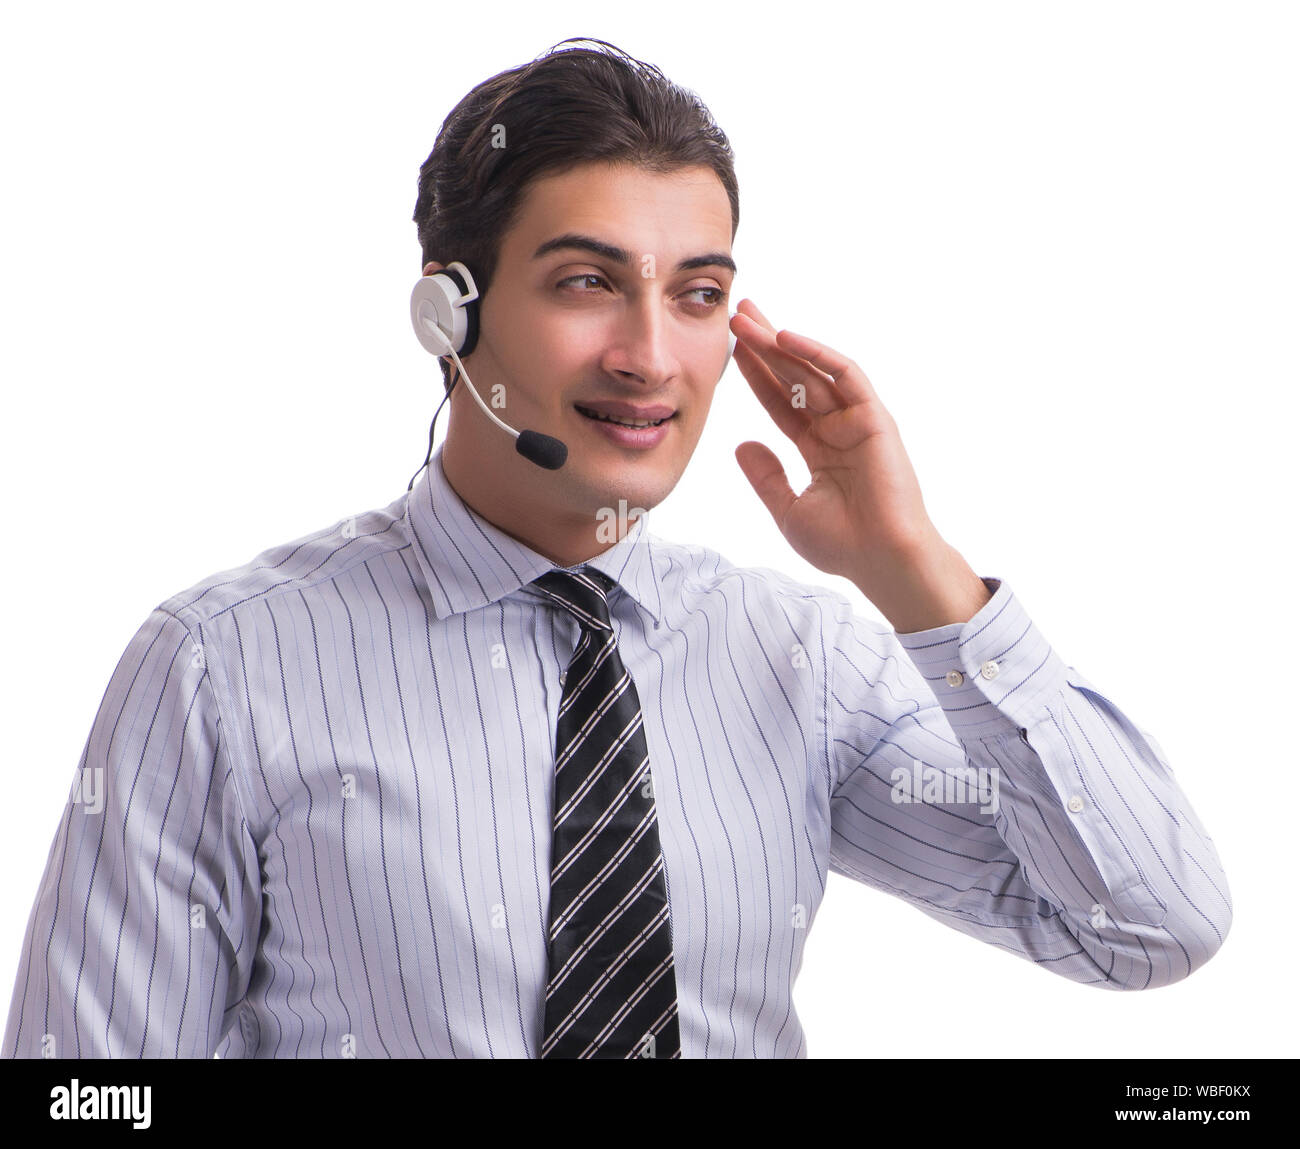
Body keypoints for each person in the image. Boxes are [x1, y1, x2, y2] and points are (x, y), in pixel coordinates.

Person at [3, 37, 1230, 1060]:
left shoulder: (796, 659)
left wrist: (921, 581)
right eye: (589, 282)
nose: (650, 355)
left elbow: (1146, 927)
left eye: (697, 294)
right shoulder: (222, 662)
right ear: (448, 311)